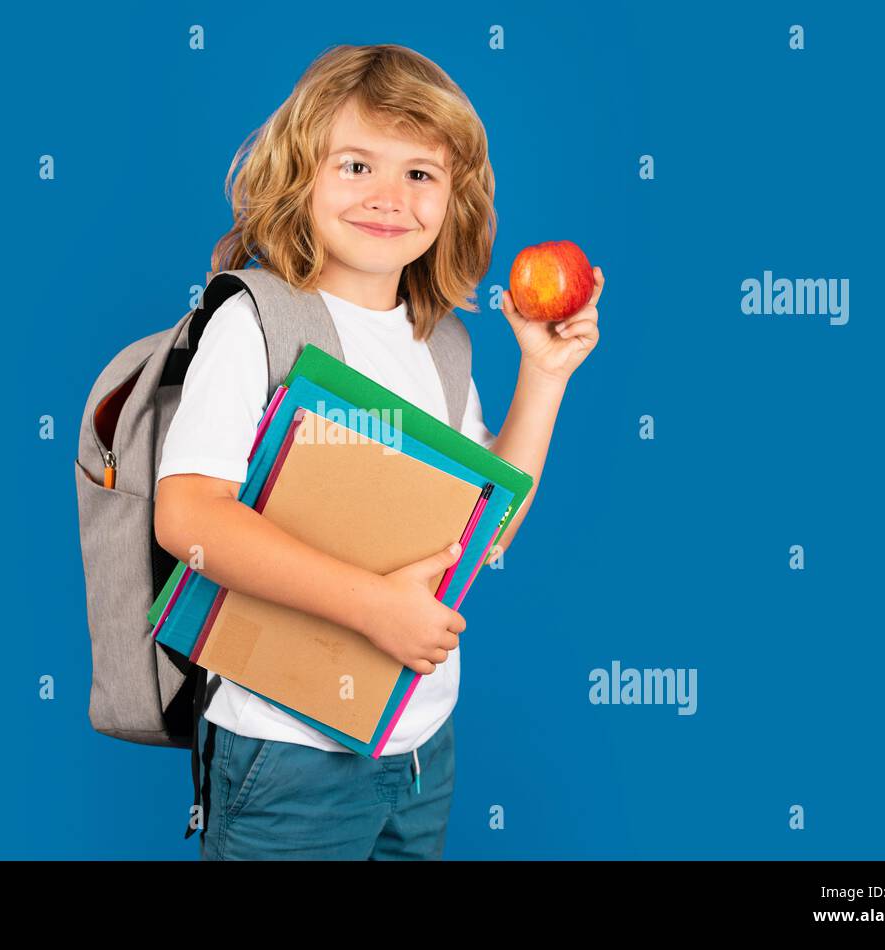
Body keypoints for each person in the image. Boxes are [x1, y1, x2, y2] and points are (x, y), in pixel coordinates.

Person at [153, 43, 604, 860]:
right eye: (356, 166)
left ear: (454, 200)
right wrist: (372, 608)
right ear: (301, 177)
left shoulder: (442, 343)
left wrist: (543, 377)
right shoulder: (254, 320)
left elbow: (486, 531)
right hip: (286, 755)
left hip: (420, 749)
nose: (389, 198)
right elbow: (187, 516)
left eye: (421, 175)